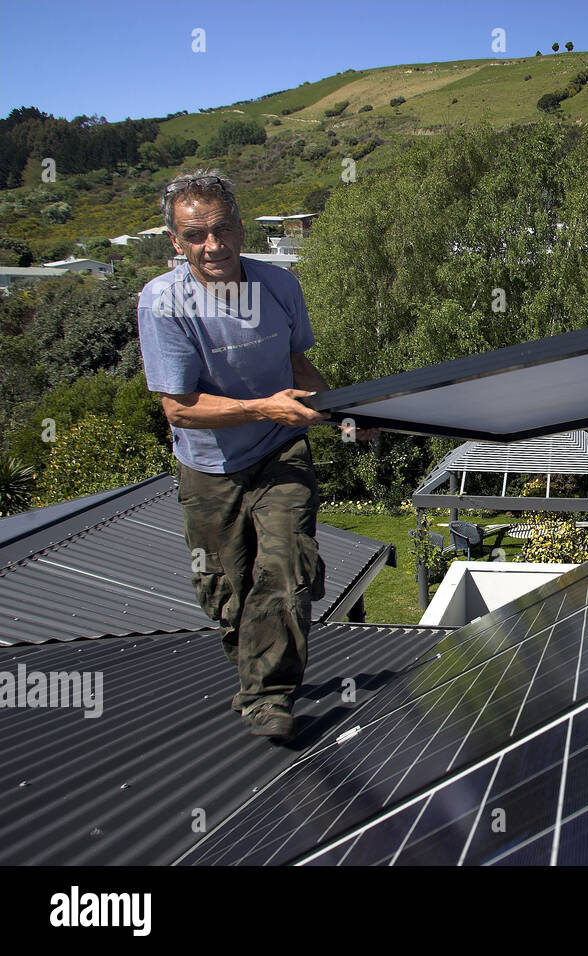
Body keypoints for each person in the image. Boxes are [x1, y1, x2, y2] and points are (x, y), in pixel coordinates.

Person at [136, 169, 375, 742]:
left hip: (279, 452)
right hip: (209, 466)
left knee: (287, 565)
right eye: (196, 236)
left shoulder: (279, 287)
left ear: (242, 229)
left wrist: (343, 414)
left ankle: (269, 695)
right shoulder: (164, 303)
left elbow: (297, 367)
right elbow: (179, 408)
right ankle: (252, 665)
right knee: (226, 588)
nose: (211, 246)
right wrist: (264, 408)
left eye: (221, 230)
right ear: (176, 241)